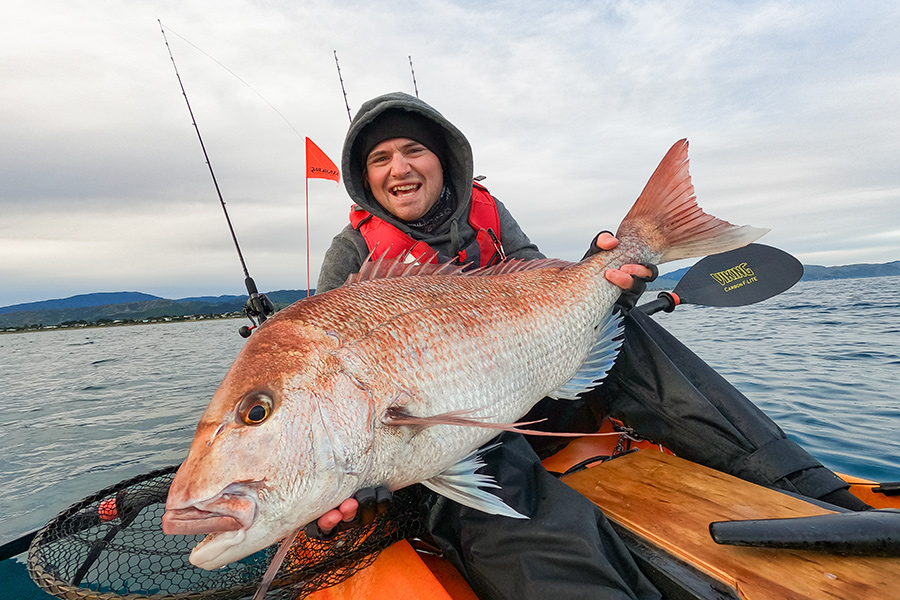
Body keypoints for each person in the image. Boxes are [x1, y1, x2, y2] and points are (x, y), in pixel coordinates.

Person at [311, 91, 661, 600]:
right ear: (365, 179)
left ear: (443, 160)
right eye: (380, 159)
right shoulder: (351, 251)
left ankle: (789, 476)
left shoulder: (488, 210)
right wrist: (359, 467)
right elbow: (331, 366)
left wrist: (603, 275)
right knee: (508, 495)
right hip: (455, 419)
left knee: (644, 335)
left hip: (533, 374)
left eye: (415, 150)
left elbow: (541, 277)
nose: (399, 168)